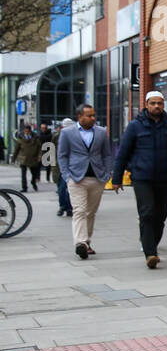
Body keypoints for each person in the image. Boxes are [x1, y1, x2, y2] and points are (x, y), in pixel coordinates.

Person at [112, 91, 167, 268]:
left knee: (161, 215)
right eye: (153, 103)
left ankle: (150, 241)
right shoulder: (135, 126)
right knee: (147, 213)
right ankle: (150, 253)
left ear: (164, 105)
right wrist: (117, 178)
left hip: (163, 177)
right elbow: (123, 153)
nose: (156, 106)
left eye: (160, 103)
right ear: (146, 105)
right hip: (141, 177)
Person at [59, 105, 113, 259]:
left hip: (97, 178)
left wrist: (108, 173)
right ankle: (80, 243)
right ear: (79, 116)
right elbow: (62, 155)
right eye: (89, 115)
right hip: (76, 178)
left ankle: (86, 242)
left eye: (94, 115)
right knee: (79, 211)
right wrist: (66, 175)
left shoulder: (101, 132)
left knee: (91, 212)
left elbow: (107, 154)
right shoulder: (67, 133)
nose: (93, 118)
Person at [53, 119, 75, 216]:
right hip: (60, 167)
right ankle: (62, 206)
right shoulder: (56, 137)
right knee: (61, 189)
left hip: (72, 167)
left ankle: (69, 207)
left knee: (69, 189)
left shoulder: (76, 137)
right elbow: (51, 149)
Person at [12, 125, 41, 191]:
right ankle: (24, 187)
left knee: (34, 174)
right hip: (24, 159)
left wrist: (39, 156)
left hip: (33, 158)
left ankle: (33, 182)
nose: (26, 133)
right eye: (25, 131)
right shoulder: (21, 139)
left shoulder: (35, 138)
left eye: (28, 131)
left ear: (30, 131)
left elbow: (40, 148)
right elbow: (17, 149)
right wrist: (14, 158)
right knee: (23, 175)